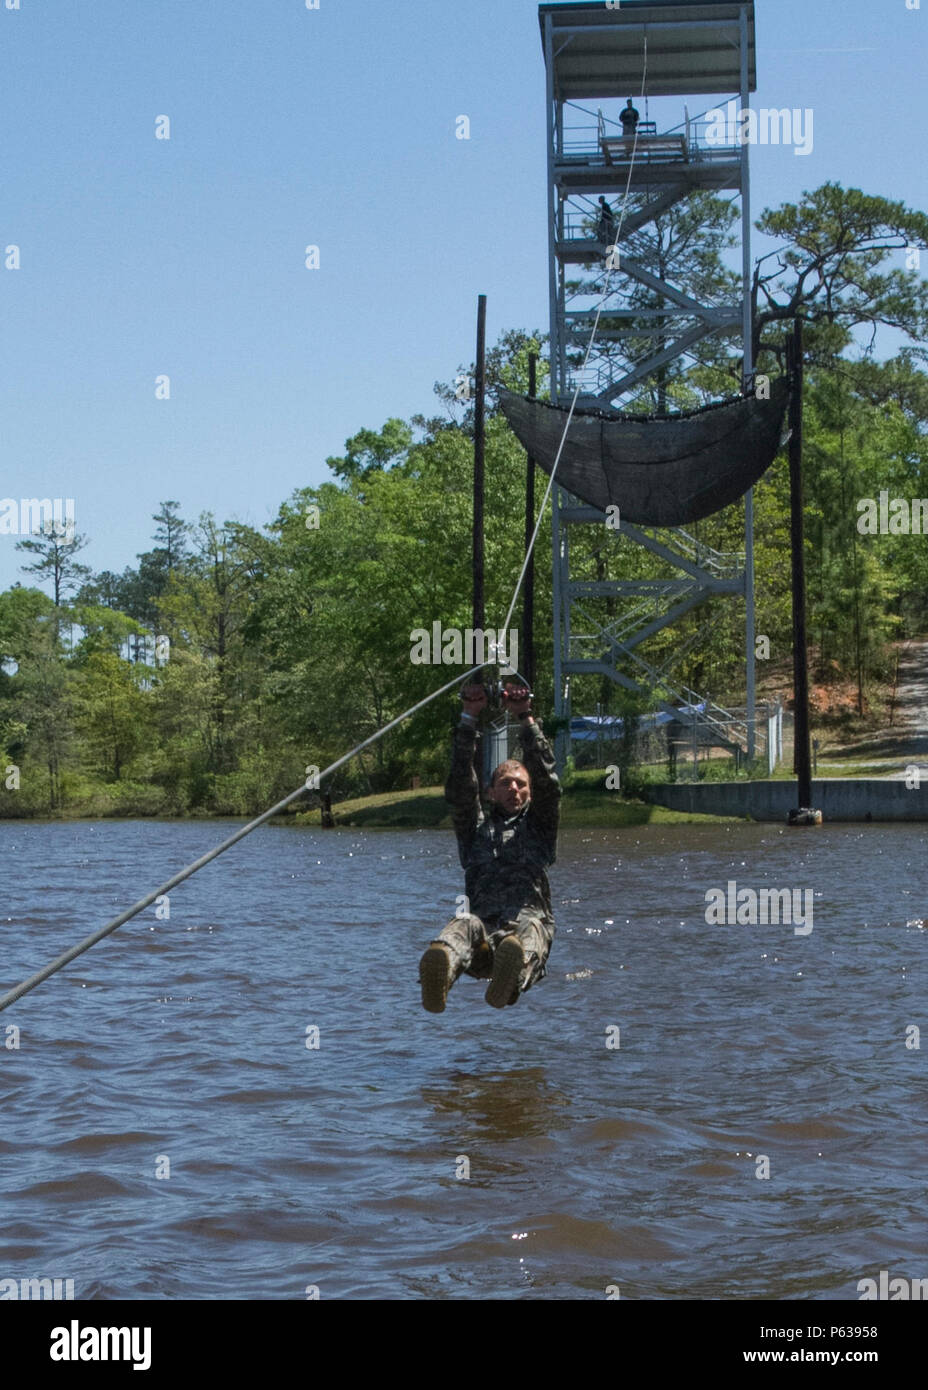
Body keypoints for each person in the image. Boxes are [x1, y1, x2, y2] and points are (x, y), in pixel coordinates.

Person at [419, 682, 561, 1014]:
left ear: (529, 792)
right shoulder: (476, 831)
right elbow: (459, 787)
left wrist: (525, 717)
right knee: (465, 922)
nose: (514, 789)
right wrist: (469, 716)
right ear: (491, 792)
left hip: (525, 930)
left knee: (528, 931)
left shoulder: (539, 828)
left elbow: (547, 782)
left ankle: (510, 980)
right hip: (482, 940)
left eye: (521, 784)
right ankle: (440, 975)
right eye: (505, 784)